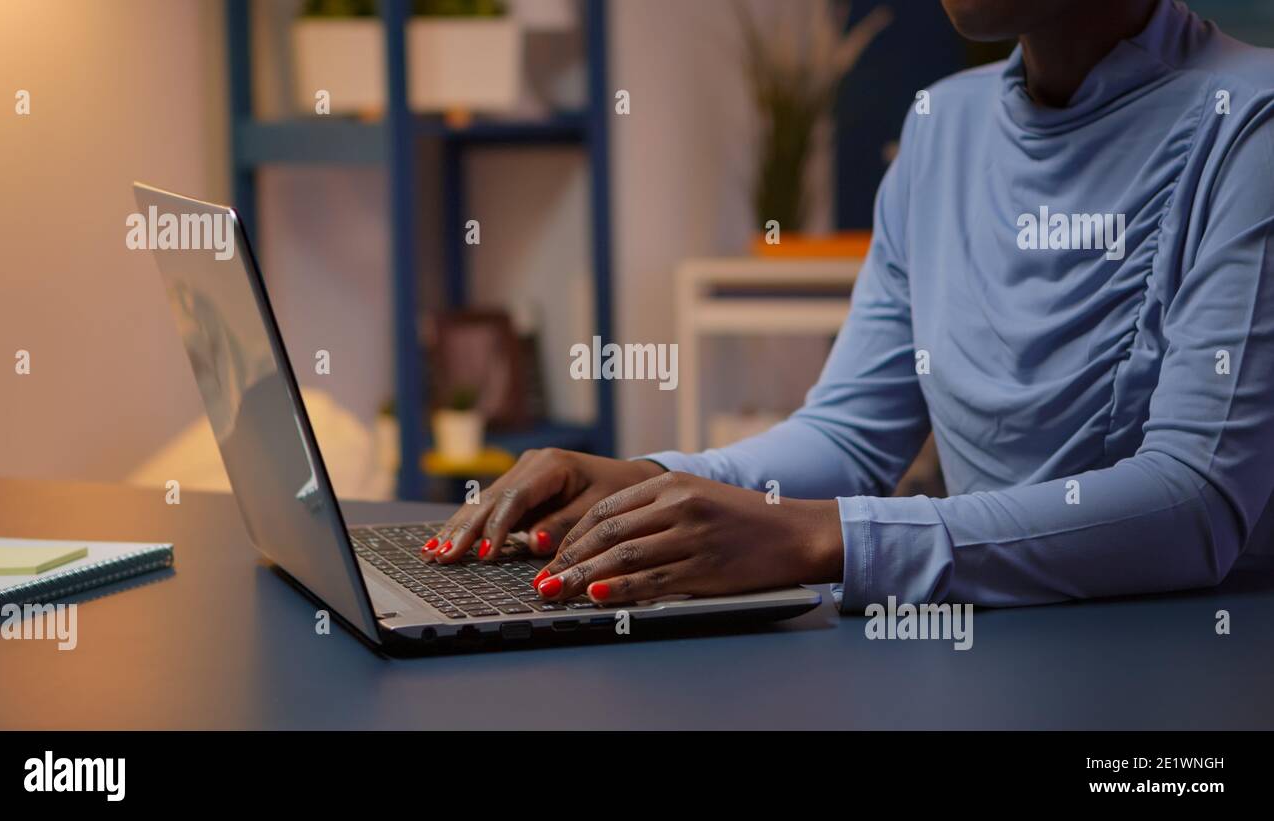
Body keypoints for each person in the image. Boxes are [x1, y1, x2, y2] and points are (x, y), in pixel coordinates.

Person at [425, 0, 1274, 612]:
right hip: (985, 662)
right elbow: (850, 436)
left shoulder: (1250, 123)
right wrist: (653, 483)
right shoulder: (944, 125)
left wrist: (819, 536)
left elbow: (1192, 505)